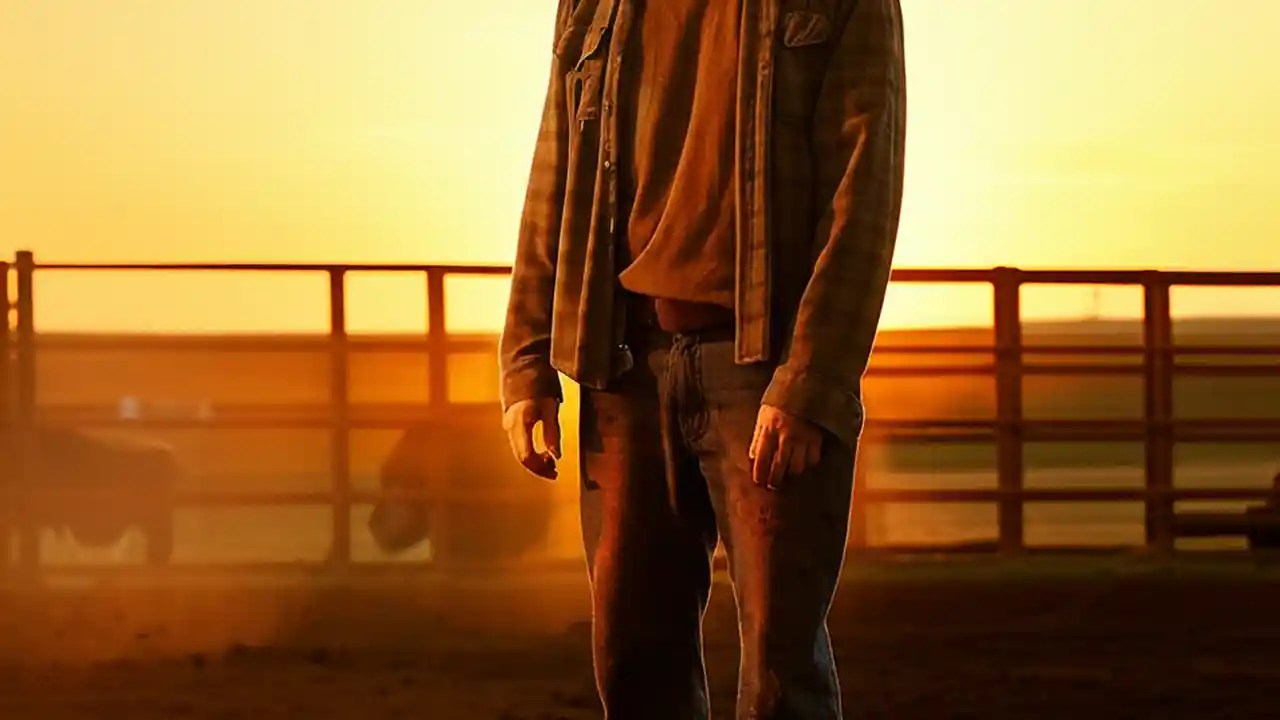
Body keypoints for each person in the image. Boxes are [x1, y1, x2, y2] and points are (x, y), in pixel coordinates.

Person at [499, 1, 906, 717]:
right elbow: (554, 164)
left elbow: (864, 183)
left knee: (781, 677)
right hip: (624, 362)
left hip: (762, 365)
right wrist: (527, 355)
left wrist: (811, 379)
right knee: (634, 665)